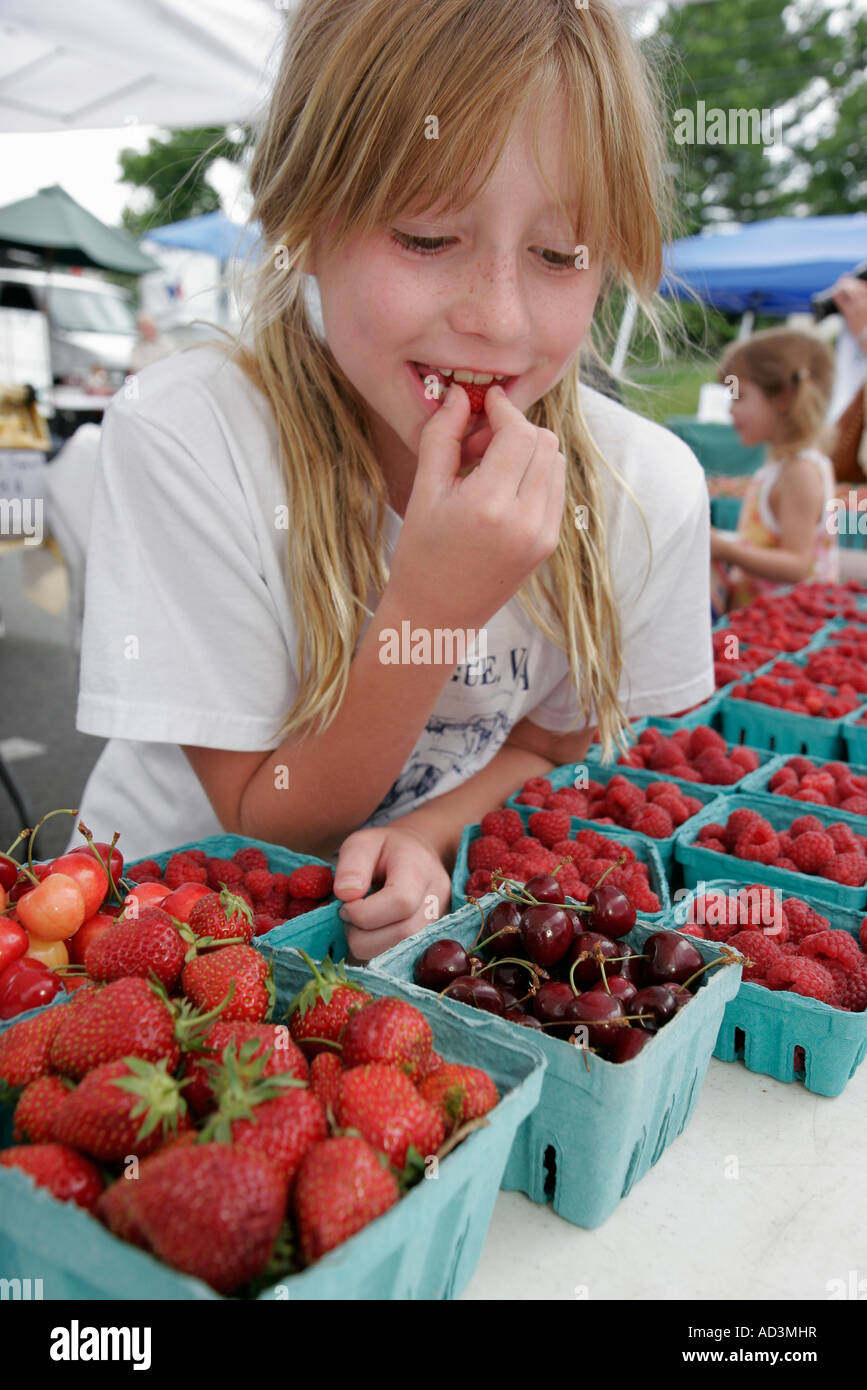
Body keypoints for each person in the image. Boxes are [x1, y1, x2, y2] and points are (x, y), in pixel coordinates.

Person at [70, 0, 714, 959]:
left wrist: (429, 830)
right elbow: (263, 821)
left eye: (557, 255)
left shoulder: (641, 492)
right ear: (299, 217)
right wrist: (434, 609)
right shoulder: (189, 435)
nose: (498, 320)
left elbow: (548, 746)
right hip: (157, 938)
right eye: (424, 237)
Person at [710, 328, 838, 615]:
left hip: (789, 626)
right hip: (763, 621)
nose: (730, 411)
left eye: (739, 397)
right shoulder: (782, 468)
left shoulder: (800, 473)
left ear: (783, 397)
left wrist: (725, 550)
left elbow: (797, 565)